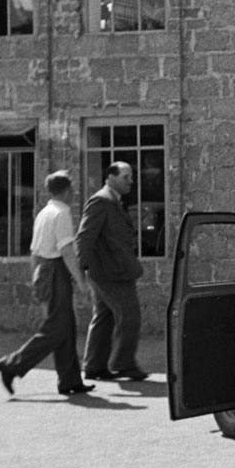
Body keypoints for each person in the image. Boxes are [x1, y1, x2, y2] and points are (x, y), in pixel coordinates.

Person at [0, 170, 94, 396]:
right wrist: (81, 281)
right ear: (68, 190)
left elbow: (34, 251)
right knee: (57, 329)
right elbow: (67, 251)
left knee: (65, 327)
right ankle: (12, 364)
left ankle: (69, 379)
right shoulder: (62, 213)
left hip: (43, 268)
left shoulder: (44, 213)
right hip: (56, 270)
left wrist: (36, 277)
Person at [76, 161, 147, 381]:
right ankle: (123, 364)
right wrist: (81, 268)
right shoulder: (101, 200)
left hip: (112, 269)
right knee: (130, 316)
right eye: (125, 177)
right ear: (110, 177)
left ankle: (95, 366)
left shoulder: (113, 201)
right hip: (110, 272)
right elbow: (85, 236)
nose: (130, 182)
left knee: (104, 318)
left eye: (131, 177)